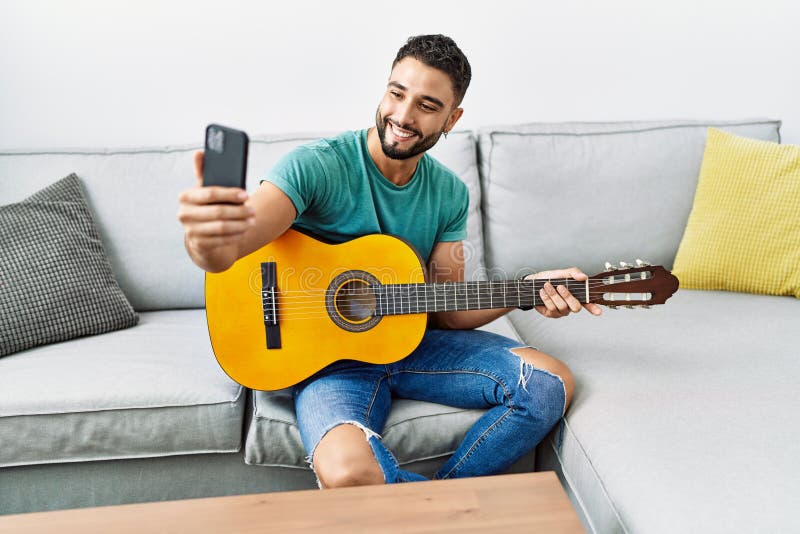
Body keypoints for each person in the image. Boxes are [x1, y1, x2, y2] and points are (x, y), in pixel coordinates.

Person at [178, 34, 602, 488]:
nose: (402, 116)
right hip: (327, 365)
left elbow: (449, 310)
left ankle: (438, 499)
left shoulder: (450, 194)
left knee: (549, 384)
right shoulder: (316, 166)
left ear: (451, 119)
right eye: (397, 93)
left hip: (414, 345)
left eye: (427, 105)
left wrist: (527, 289)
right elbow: (232, 246)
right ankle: (450, 514)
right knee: (346, 474)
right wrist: (207, 239)